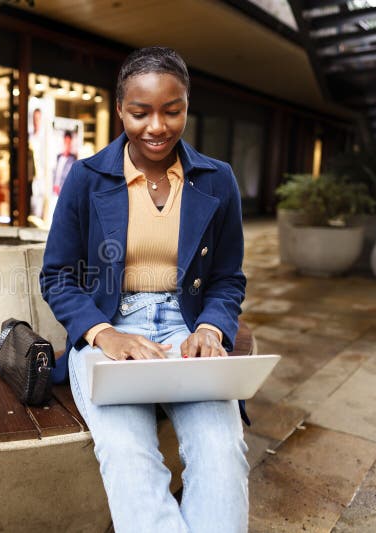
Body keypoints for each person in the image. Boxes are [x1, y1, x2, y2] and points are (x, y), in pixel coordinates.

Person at [40, 47, 249, 532]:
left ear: (186, 106)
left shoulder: (219, 181)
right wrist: (103, 334)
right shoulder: (86, 177)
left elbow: (227, 278)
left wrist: (213, 330)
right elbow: (57, 275)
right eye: (140, 112)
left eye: (171, 110)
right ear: (119, 110)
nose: (157, 125)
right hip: (109, 333)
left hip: (188, 330)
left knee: (223, 450)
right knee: (129, 454)